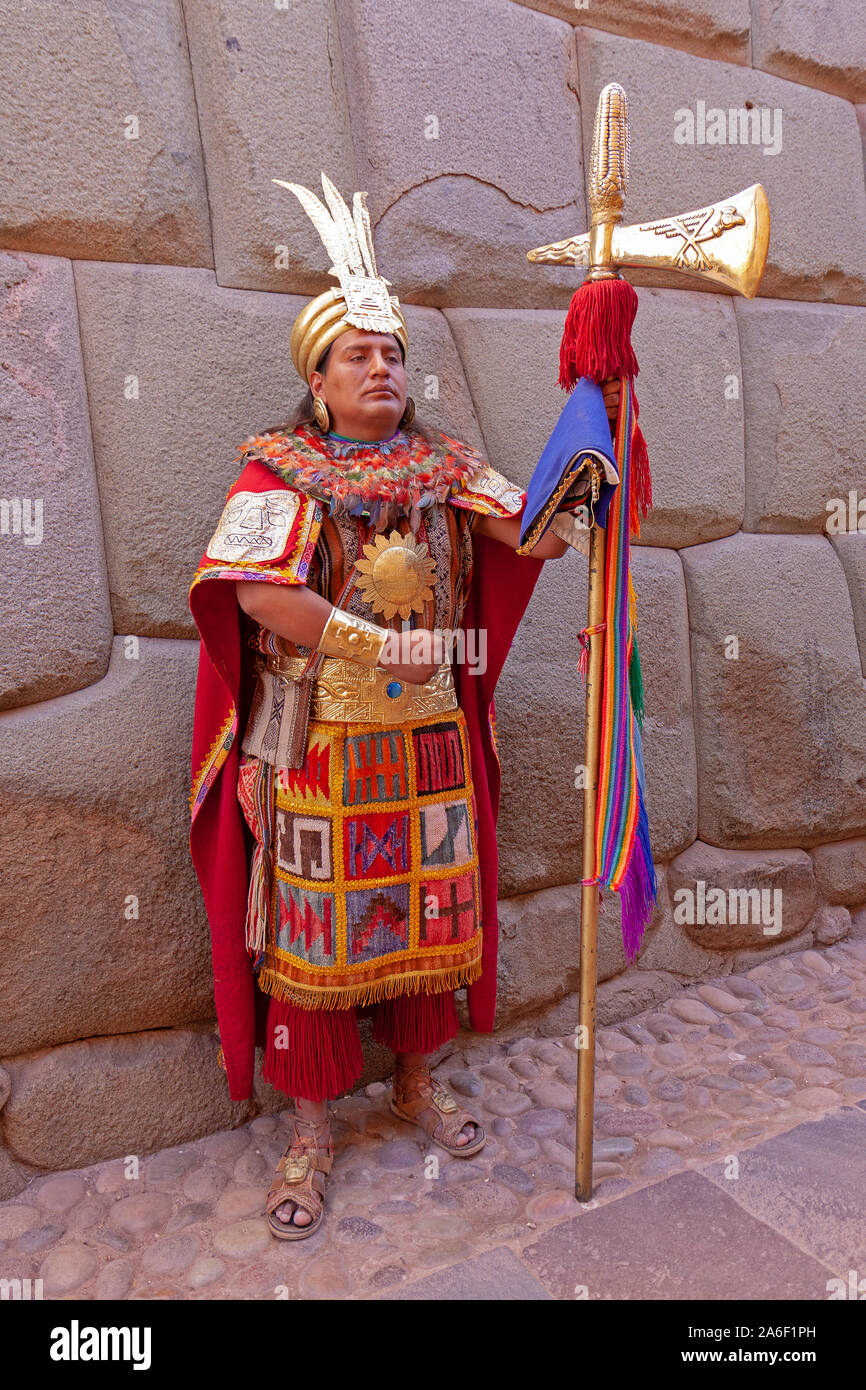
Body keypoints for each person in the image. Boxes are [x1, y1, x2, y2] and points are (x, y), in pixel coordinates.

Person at [188, 175, 621, 1240]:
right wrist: (375, 643)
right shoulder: (277, 469)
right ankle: (308, 1128)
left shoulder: (446, 463)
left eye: (391, 353)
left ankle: (415, 1083)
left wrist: (598, 421)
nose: (380, 368)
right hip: (317, 744)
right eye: (357, 356)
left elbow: (533, 537)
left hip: (427, 739)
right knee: (314, 939)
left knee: (433, 913)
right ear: (319, 377)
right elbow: (254, 593)